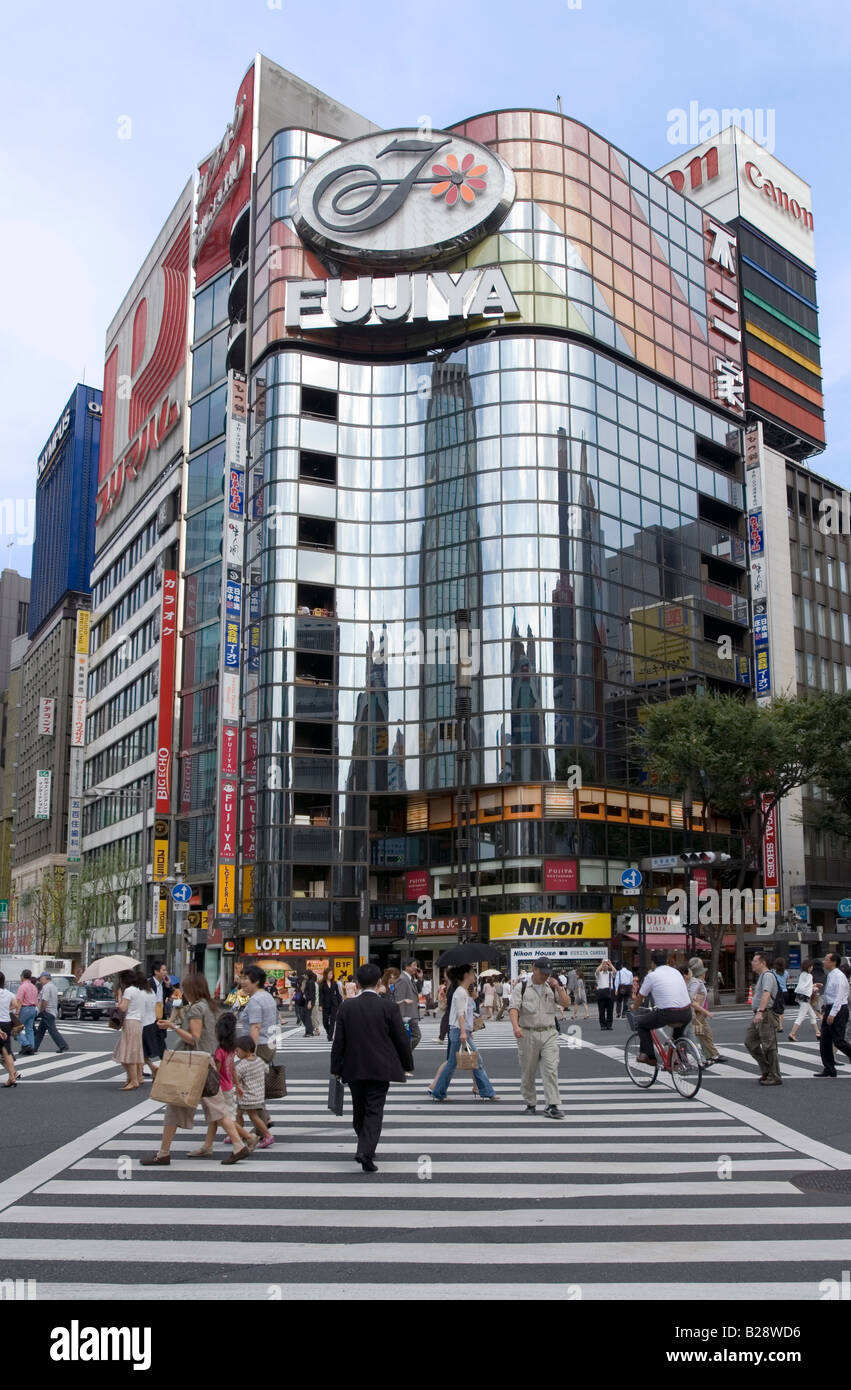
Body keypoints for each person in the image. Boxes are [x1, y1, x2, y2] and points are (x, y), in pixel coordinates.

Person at [141, 973, 240, 1165]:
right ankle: (239, 1145)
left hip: (192, 1065)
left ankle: (163, 1153)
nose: (183, 992)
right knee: (217, 1109)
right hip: (206, 1061)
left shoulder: (196, 1008)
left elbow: (194, 1038)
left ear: (192, 989)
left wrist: (172, 1026)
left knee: (175, 1108)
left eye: (185, 988)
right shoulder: (211, 1007)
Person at [329, 962, 413, 1172]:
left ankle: (364, 1144)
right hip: (380, 1066)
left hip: (353, 1066)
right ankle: (365, 1150)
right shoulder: (388, 1007)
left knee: (359, 1108)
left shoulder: (346, 1007)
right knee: (374, 1110)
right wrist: (407, 1063)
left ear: (357, 984)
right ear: (378, 983)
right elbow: (401, 1039)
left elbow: (339, 1041)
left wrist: (335, 1067)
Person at [509, 957, 569, 1118]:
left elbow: (566, 1003)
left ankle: (552, 1104)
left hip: (549, 1032)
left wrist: (560, 988)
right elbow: (513, 1008)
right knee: (528, 1070)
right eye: (542, 973)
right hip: (528, 1032)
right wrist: (515, 1027)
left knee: (551, 1069)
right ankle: (531, 1102)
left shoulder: (551, 987)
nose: (545, 976)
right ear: (534, 970)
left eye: (548, 973)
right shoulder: (522, 987)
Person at [429, 965, 499, 1103]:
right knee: (475, 1061)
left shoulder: (463, 991)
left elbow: (465, 1014)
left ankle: (439, 1092)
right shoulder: (460, 992)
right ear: (466, 975)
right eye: (473, 973)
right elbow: (460, 1014)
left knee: (453, 1063)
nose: (474, 975)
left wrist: (467, 1030)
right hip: (458, 1031)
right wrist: (463, 1032)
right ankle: (487, 1092)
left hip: (458, 1031)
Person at [189, 1011, 254, 1159]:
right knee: (216, 1117)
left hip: (220, 1088)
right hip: (229, 1086)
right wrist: (237, 1085)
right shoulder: (231, 1050)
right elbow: (233, 1069)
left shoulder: (219, 1052)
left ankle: (249, 1137)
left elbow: (215, 1073)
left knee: (224, 1118)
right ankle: (207, 1146)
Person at [634, 950, 693, 1065]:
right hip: (687, 1012)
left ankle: (650, 1057)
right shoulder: (676, 972)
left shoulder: (651, 976)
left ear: (653, 963)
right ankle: (679, 1062)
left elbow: (641, 996)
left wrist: (634, 1007)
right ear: (666, 961)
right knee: (677, 1037)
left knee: (642, 1024)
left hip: (668, 1013)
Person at [240, 965, 278, 1139]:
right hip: (270, 1043)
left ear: (255, 981)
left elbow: (255, 1027)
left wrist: (251, 1053)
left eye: (245, 979)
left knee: (252, 1089)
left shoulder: (255, 1000)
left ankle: (262, 1132)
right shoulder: (268, 996)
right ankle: (265, 1119)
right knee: (257, 1086)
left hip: (259, 1045)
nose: (242, 982)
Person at [744, 952, 782, 1086]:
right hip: (760, 1014)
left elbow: (766, 994)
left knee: (769, 1046)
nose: (752, 963)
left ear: (763, 963)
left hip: (766, 1014)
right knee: (750, 1042)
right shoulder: (762, 976)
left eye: (755, 961)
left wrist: (760, 1012)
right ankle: (767, 1069)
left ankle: (775, 1076)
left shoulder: (768, 976)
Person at [232, 1035, 272, 1157]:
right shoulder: (259, 1060)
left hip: (247, 1097)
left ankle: (267, 1135)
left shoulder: (242, 1065)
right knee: (238, 1114)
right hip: (258, 1094)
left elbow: (235, 1078)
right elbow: (266, 1070)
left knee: (253, 1116)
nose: (236, 1053)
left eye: (237, 1050)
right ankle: (238, 1134)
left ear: (245, 1050)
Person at [814, 953, 851, 1079]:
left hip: (839, 1009)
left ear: (834, 962)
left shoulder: (839, 976)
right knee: (825, 1040)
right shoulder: (831, 975)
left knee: (838, 1040)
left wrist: (832, 1013)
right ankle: (829, 1069)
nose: (824, 962)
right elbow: (829, 995)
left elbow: (840, 996)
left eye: (826, 960)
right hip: (831, 1007)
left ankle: (830, 1067)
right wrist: (824, 1009)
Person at [113, 968, 150, 1089]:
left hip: (130, 1022)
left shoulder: (129, 991)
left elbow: (123, 1008)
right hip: (138, 1022)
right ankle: (133, 1078)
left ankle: (134, 1080)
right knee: (132, 1051)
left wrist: (120, 997)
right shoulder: (139, 991)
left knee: (126, 1053)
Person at [687, 958, 722, 1066]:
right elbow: (690, 999)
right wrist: (706, 1012)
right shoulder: (696, 982)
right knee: (700, 1034)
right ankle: (709, 1056)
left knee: (705, 1034)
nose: (705, 973)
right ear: (700, 973)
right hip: (697, 1013)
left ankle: (711, 1055)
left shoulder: (697, 982)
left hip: (699, 1013)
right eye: (703, 971)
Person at [33, 972, 70, 1054]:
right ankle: (34, 1047)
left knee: (52, 1030)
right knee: (40, 1031)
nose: (40, 981)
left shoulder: (46, 987)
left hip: (47, 1011)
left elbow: (44, 1000)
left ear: (45, 978)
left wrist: (42, 1010)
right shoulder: (53, 987)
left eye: (40, 978)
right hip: (52, 1010)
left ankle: (63, 1045)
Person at [393, 959, 422, 1062]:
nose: (416, 967)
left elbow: (418, 991)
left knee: (413, 1037)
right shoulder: (403, 979)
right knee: (416, 1036)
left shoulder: (410, 979)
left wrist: (420, 979)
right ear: (407, 967)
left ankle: (403, 1055)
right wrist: (401, 1017)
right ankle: (402, 1055)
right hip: (407, 1016)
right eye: (414, 965)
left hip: (411, 1014)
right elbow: (399, 998)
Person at [788, 960, 820, 1043]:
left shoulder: (802, 974)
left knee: (812, 1015)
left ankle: (818, 1033)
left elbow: (804, 985)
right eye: (811, 966)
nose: (812, 968)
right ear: (808, 967)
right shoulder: (809, 975)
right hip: (805, 997)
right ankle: (792, 1034)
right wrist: (815, 987)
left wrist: (814, 985)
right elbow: (808, 987)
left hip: (799, 996)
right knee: (801, 1016)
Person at [0, 973, 21, 1087]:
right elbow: (15, 1004)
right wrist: (5, 1008)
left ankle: (13, 1075)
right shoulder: (8, 993)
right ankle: (12, 1076)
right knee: (6, 1051)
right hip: (7, 1023)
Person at [14, 970, 38, 1055]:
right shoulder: (33, 987)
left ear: (23, 976)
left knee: (15, 1029)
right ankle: (31, 1047)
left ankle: (26, 1044)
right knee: (29, 1029)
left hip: (24, 1009)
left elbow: (19, 1001)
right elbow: (36, 1000)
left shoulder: (22, 986)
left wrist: (17, 1013)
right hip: (33, 1008)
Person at [319, 969, 343, 1041]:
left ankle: (330, 1037)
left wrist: (340, 1004)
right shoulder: (322, 984)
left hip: (334, 1004)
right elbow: (321, 995)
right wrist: (320, 1005)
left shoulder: (335, 983)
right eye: (330, 974)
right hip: (325, 1004)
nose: (331, 975)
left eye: (332, 974)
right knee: (325, 1022)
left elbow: (338, 994)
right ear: (326, 974)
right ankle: (329, 1032)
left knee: (332, 1021)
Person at [594, 959, 617, 1031]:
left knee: (610, 1010)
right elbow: (597, 971)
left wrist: (610, 964)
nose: (605, 966)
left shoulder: (610, 973)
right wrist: (601, 963)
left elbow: (615, 972)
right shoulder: (599, 974)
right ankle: (603, 1025)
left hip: (609, 992)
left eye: (606, 965)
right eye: (604, 965)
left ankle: (609, 1025)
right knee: (601, 1011)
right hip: (601, 993)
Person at [773, 957, 789, 1033]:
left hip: (777, 992)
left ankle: (779, 1026)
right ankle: (780, 1025)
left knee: (775, 1009)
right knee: (781, 1010)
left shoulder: (773, 973)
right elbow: (786, 981)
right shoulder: (786, 973)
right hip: (785, 992)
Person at [302, 970, 318, 1036]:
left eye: (305, 974)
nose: (304, 976)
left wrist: (309, 1002)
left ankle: (309, 1032)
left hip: (310, 1001)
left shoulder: (311, 982)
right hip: (308, 1000)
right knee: (303, 1015)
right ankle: (310, 1029)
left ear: (307, 975)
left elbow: (311, 993)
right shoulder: (308, 981)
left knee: (307, 1015)